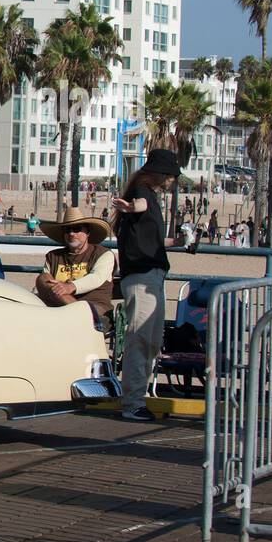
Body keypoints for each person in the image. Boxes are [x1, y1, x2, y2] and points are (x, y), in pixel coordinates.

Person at [111, 148, 179, 422]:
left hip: (150, 275)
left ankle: (137, 399)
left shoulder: (144, 195)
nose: (172, 182)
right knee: (140, 339)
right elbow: (138, 204)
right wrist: (130, 207)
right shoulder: (142, 191)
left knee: (149, 341)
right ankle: (133, 403)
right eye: (171, 176)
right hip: (142, 277)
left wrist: (183, 244)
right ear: (161, 174)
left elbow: (151, 237)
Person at [35, 208, 116, 329]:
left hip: (95, 308)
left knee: (49, 287)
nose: (72, 233)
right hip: (58, 308)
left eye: (77, 229)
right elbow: (46, 284)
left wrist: (70, 287)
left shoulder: (103, 254)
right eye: (67, 230)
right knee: (43, 278)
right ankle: (79, 313)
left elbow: (96, 278)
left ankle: (81, 314)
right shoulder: (53, 256)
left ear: (87, 232)